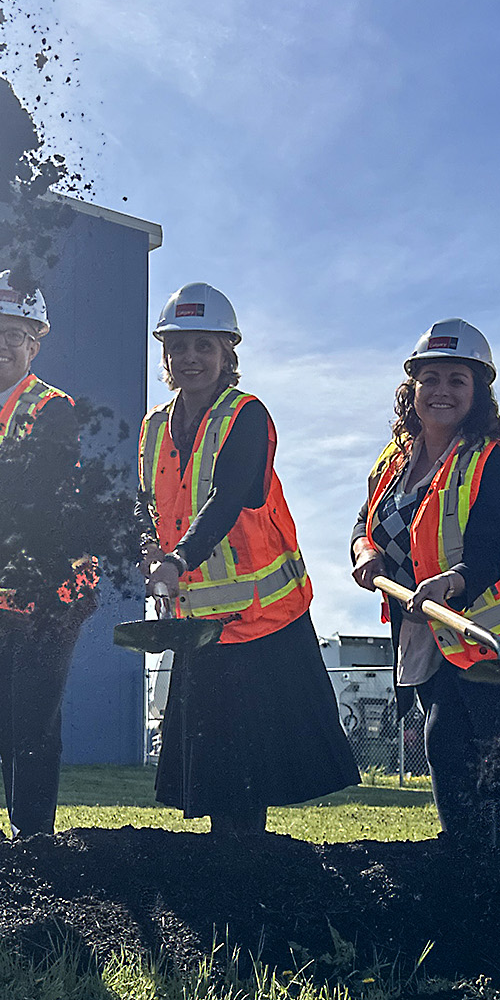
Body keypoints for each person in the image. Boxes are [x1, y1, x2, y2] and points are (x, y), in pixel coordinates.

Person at [140, 282, 359, 835]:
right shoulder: (151, 430)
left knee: (248, 767)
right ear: (165, 355)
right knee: (215, 767)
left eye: (204, 346)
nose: (190, 357)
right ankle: (230, 868)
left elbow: (230, 496)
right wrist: (147, 549)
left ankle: (249, 876)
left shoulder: (247, 417)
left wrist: (178, 559)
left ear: (227, 354)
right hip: (202, 622)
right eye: (179, 346)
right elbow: (148, 504)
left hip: (264, 618)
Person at [350, 321, 500, 843]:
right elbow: (367, 521)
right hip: (431, 632)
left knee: (496, 769)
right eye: (430, 379)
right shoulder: (397, 458)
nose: (441, 392)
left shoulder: (499, 462)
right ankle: (469, 868)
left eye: (457, 380)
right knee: (447, 752)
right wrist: (364, 551)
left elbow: (491, 546)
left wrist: (452, 583)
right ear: (413, 389)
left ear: (478, 394)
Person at [0, 272, 97, 839]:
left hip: (54, 592)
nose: (1, 345)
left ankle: (34, 843)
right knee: (7, 723)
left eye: (16, 334)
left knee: (32, 722)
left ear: (35, 344)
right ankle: (26, 835)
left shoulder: (52, 409)